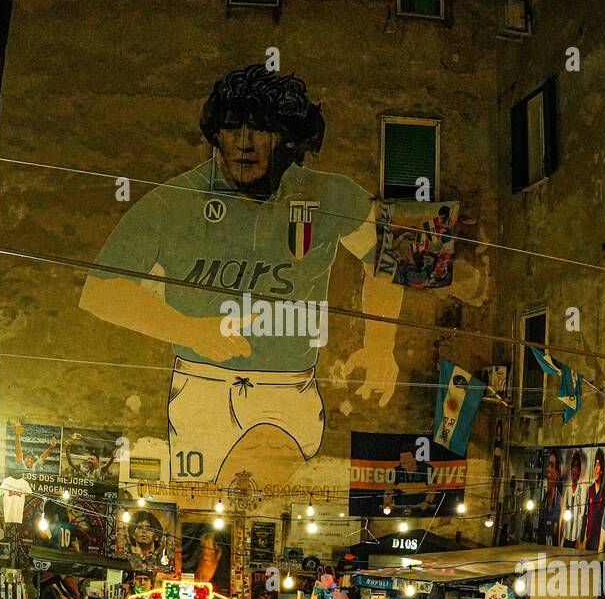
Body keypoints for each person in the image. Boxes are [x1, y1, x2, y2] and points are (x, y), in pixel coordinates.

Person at [79, 64, 402, 492]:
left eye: (261, 130)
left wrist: (379, 344)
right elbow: (101, 291)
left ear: (284, 137)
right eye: (233, 129)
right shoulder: (173, 201)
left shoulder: (327, 195)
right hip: (200, 384)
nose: (246, 144)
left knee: (265, 501)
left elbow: (390, 254)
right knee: (201, 516)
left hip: (285, 387)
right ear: (215, 135)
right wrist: (190, 329)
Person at [583, 448, 605, 551]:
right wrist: (583, 536)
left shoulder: (604, 491)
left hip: (599, 537)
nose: (596, 469)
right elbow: (585, 514)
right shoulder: (590, 490)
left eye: (598, 465)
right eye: (595, 465)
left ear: (601, 470)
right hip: (589, 536)